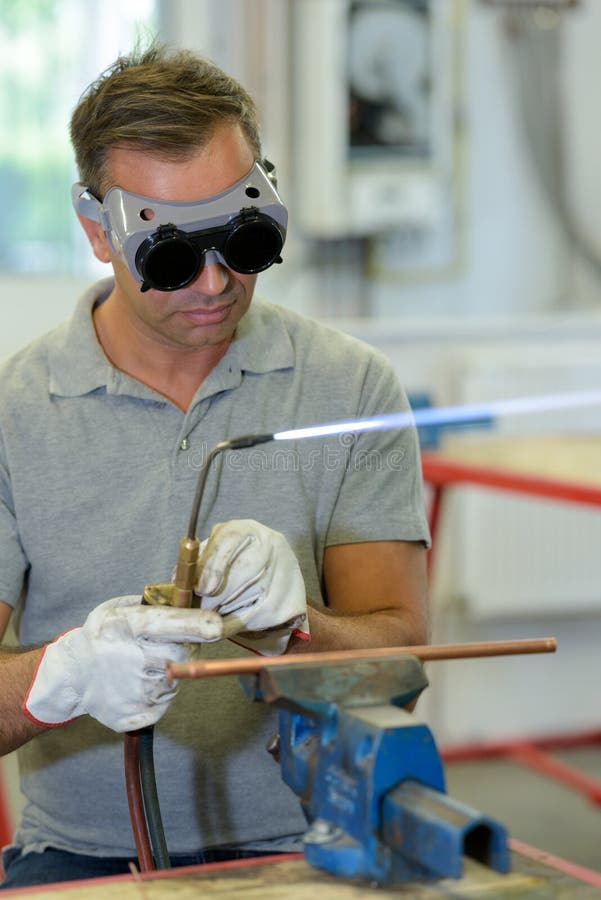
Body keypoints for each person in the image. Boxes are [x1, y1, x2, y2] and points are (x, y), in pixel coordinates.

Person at [0, 43, 430, 889]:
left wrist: (290, 628)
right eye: (168, 258)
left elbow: (405, 667)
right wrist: (62, 676)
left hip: (315, 839)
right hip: (83, 855)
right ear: (97, 231)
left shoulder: (349, 385)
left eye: (244, 241)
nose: (213, 282)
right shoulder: (14, 413)